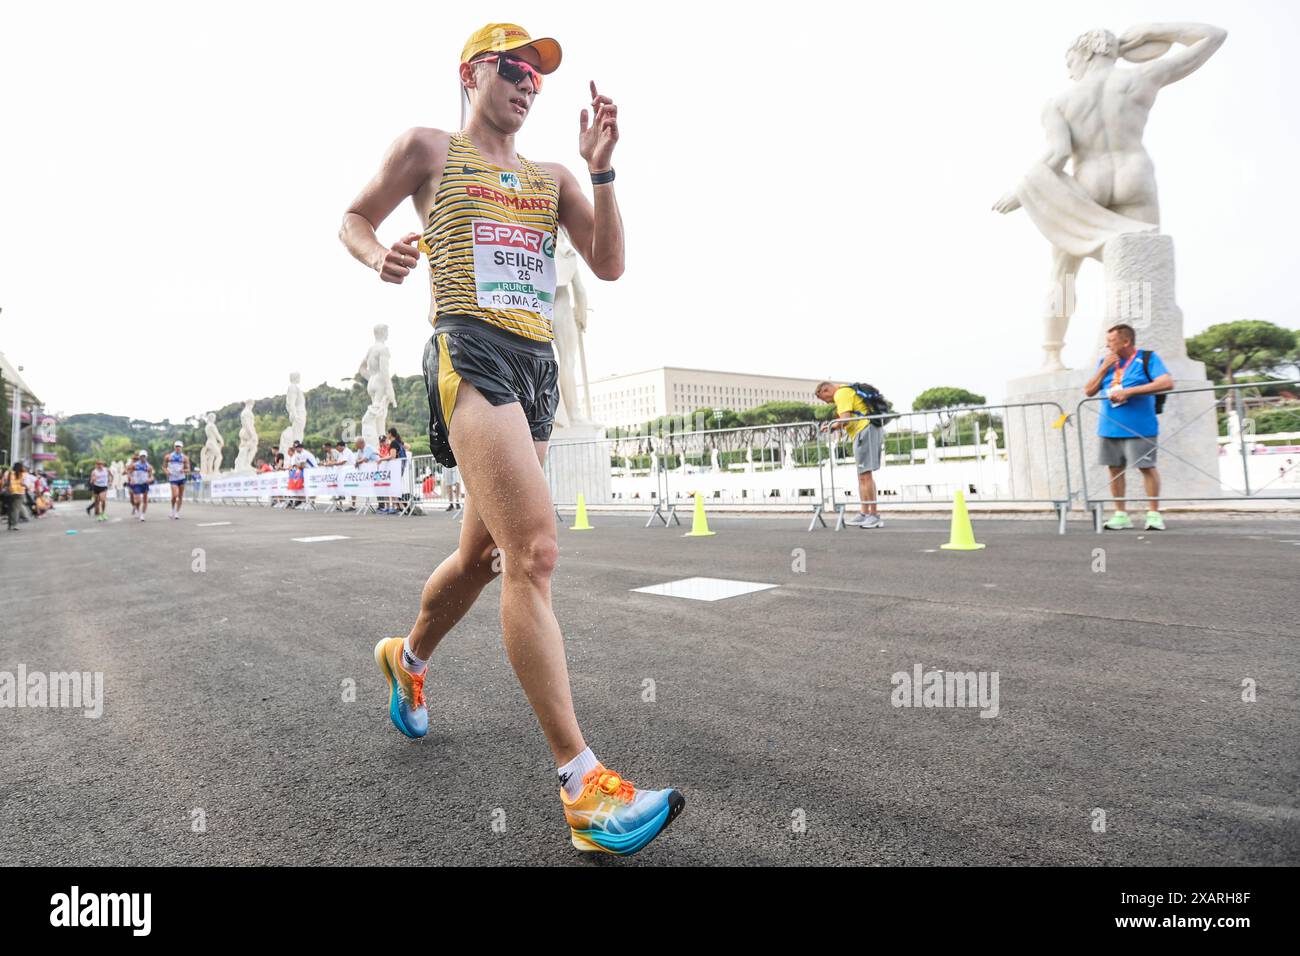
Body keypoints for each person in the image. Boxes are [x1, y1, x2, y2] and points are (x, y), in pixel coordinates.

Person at [340, 22, 681, 855]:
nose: (529, 83)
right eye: (514, 68)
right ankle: (583, 787)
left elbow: (608, 264)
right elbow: (352, 216)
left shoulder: (551, 176)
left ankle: (408, 656)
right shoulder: (427, 148)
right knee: (534, 553)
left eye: (538, 75)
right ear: (472, 72)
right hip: (469, 352)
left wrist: (601, 171)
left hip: (536, 371)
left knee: (483, 557)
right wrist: (376, 253)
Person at [1083, 323, 1175, 530]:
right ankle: (1120, 514)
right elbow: (1088, 391)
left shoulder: (1148, 358)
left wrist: (1130, 392)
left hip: (1140, 426)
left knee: (1146, 467)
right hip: (1109, 426)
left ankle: (1153, 514)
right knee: (1114, 469)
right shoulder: (1104, 361)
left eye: (1111, 342)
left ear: (1126, 341)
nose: (1107, 347)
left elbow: (1167, 383)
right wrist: (1104, 368)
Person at [816, 382, 885, 528]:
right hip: (863, 431)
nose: (828, 402)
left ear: (826, 389)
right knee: (862, 476)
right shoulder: (846, 391)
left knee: (865, 475)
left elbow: (845, 419)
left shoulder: (841, 393)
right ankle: (865, 513)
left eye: (825, 398)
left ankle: (873, 515)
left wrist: (830, 426)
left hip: (864, 430)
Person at [164, 441, 191, 520]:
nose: (178, 448)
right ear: (174, 447)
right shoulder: (168, 457)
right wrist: (167, 472)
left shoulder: (184, 457)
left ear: (181, 448)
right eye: (176, 446)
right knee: (175, 495)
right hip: (173, 478)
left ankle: (177, 512)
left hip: (181, 478)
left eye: (179, 446)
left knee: (180, 496)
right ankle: (172, 510)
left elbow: (188, 469)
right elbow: (164, 467)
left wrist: (184, 471)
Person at [129, 450, 155, 521]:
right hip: (137, 484)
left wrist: (150, 479)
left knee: (145, 500)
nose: (143, 458)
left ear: (146, 457)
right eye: (141, 456)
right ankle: (137, 510)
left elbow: (151, 476)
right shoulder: (134, 465)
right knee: (138, 500)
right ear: (139, 457)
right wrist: (131, 479)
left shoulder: (149, 466)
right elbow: (130, 473)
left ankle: (142, 515)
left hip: (145, 484)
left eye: (144, 456)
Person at [2, 463, 26, 531]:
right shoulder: (22, 473)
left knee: (10, 509)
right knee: (16, 509)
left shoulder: (8, 473)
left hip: (10, 492)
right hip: (20, 492)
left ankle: (10, 525)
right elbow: (24, 483)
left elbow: (4, 482)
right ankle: (14, 525)